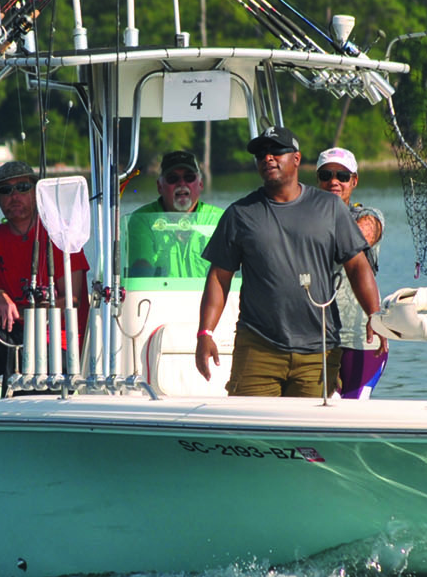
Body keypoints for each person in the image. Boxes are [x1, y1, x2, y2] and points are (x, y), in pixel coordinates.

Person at [194, 126, 384, 397]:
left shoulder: (329, 208)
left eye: (276, 151)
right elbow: (218, 277)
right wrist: (205, 333)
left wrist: (375, 315)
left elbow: (357, 266)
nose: (267, 157)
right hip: (258, 348)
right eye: (261, 154)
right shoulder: (239, 214)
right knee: (251, 423)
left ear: (296, 158)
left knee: (311, 424)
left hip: (318, 350)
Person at [0, 160, 90, 381]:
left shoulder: (62, 234)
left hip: (58, 344)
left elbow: (73, 299)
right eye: (6, 190)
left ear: (37, 193)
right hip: (10, 338)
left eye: (22, 187)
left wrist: (24, 312)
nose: (14, 196)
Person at [313, 146, 388, 398]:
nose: (334, 181)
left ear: (354, 181)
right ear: (318, 180)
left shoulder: (369, 216)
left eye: (342, 176)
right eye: (326, 175)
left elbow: (360, 236)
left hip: (361, 340)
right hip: (315, 340)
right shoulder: (304, 220)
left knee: (353, 410)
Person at [125, 149, 222, 278]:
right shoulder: (141, 220)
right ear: (159, 186)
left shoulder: (220, 219)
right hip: (159, 292)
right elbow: (142, 272)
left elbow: (228, 274)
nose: (181, 183)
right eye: (172, 178)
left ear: (200, 184)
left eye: (189, 177)